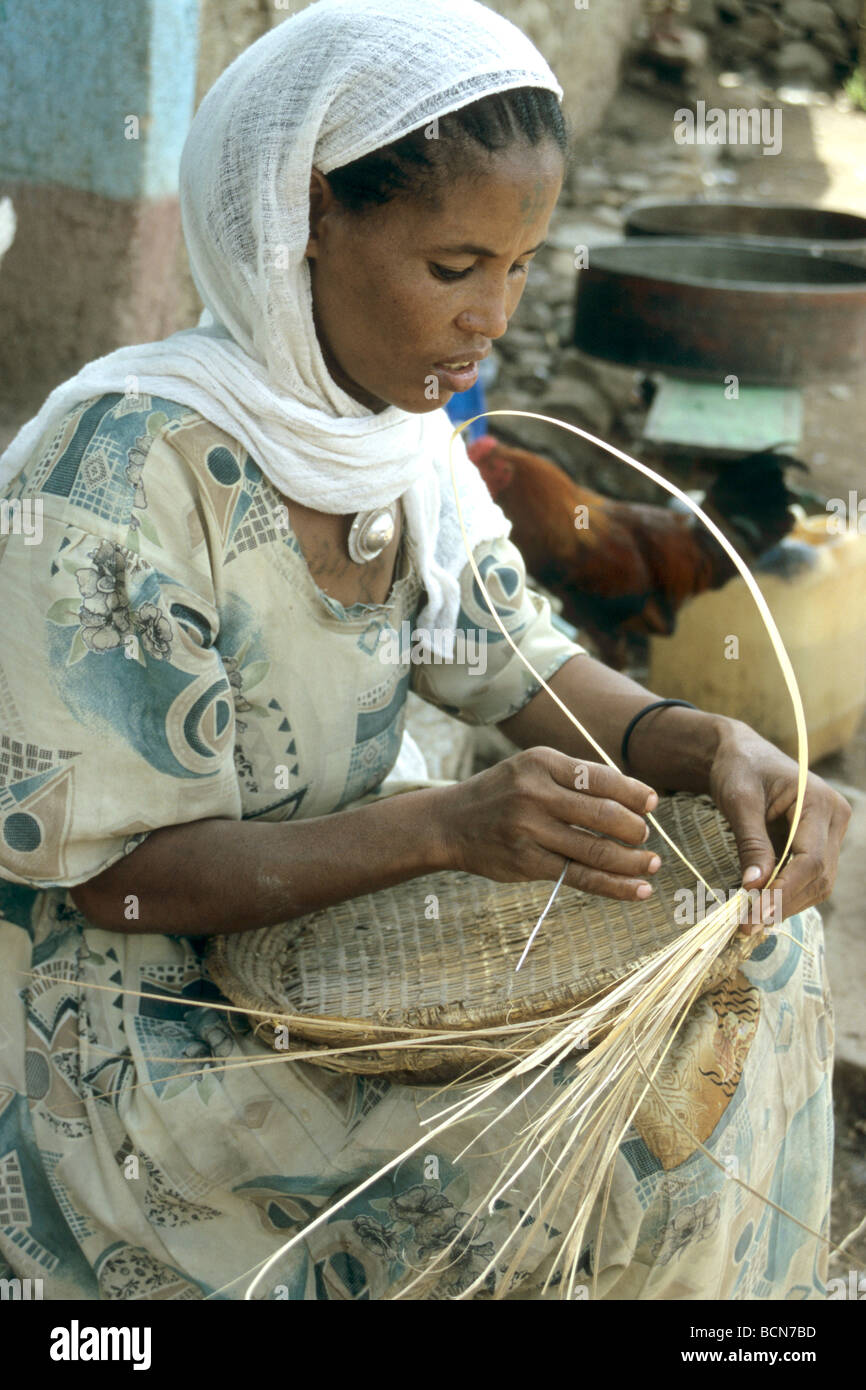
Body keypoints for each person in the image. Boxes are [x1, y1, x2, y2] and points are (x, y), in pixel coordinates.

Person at [0, 0, 849, 1301]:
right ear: (304, 219)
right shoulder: (111, 481)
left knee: (758, 965)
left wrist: (705, 742)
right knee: (611, 1150)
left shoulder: (394, 448)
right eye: (453, 268)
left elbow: (515, 662)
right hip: (150, 1035)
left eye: (517, 267)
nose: (491, 319)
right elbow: (108, 885)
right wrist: (445, 827)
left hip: (325, 932)